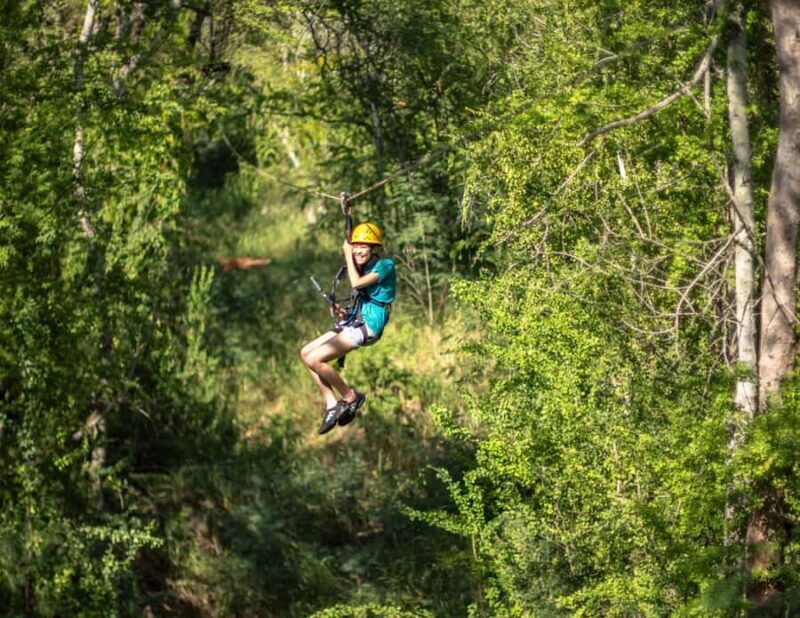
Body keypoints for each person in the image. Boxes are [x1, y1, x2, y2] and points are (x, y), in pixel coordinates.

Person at [300, 222, 396, 434]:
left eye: (364, 246)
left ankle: (351, 396)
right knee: (305, 353)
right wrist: (342, 313)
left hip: (369, 326)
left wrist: (347, 254)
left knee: (316, 359)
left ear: (374, 249)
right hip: (356, 320)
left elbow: (356, 283)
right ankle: (332, 403)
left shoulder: (385, 265)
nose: (358, 250)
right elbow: (361, 295)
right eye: (356, 246)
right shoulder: (362, 266)